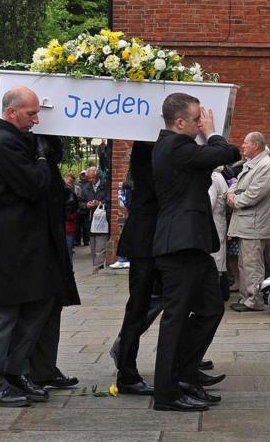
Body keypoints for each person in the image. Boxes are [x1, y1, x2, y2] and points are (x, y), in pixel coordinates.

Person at [151, 92, 241, 411]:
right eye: (196, 118)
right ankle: (166, 393)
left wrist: (204, 136)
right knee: (175, 318)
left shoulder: (176, 147)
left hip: (192, 243)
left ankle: (186, 376)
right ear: (180, 122)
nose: (200, 122)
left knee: (210, 308)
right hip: (180, 244)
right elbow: (229, 152)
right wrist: (212, 131)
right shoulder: (176, 146)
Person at [0, 86, 61, 407]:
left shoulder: (14, 138)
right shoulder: (1, 142)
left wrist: (45, 150)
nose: (36, 119)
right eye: (31, 114)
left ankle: (13, 372)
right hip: (7, 245)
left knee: (35, 305)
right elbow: (36, 184)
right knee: (4, 315)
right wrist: (40, 156)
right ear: (11, 112)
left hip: (20, 243)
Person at [27, 134, 82, 392]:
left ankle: (44, 368)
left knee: (52, 306)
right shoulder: (25, 149)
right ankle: (29, 369)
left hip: (53, 238)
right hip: (37, 240)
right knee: (37, 307)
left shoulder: (48, 159)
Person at [110, 141, 163, 396]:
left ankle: (184, 364)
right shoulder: (148, 148)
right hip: (146, 240)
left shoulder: (155, 146)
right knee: (139, 307)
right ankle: (126, 370)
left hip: (155, 238)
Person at [226, 132, 270, 312]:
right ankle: (245, 297)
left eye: (246, 142)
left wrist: (235, 201)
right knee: (245, 263)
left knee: (253, 264)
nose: (242, 145)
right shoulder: (252, 164)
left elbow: (256, 193)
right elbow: (236, 185)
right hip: (247, 222)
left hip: (255, 223)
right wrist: (230, 194)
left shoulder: (265, 166)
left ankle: (254, 300)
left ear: (256, 145)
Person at [209, 166, 230, 296]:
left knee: (214, 258)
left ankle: (213, 294)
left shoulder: (212, 177)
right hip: (218, 221)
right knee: (218, 258)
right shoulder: (219, 176)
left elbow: (209, 203)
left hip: (213, 223)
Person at [78, 166, 104, 247]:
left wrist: (99, 203)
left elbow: (110, 201)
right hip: (90, 221)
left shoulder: (105, 186)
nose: (90, 180)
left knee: (99, 250)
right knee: (93, 248)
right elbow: (79, 202)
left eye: (92, 178)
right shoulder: (85, 188)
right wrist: (86, 205)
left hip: (102, 221)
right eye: (89, 178)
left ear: (97, 176)